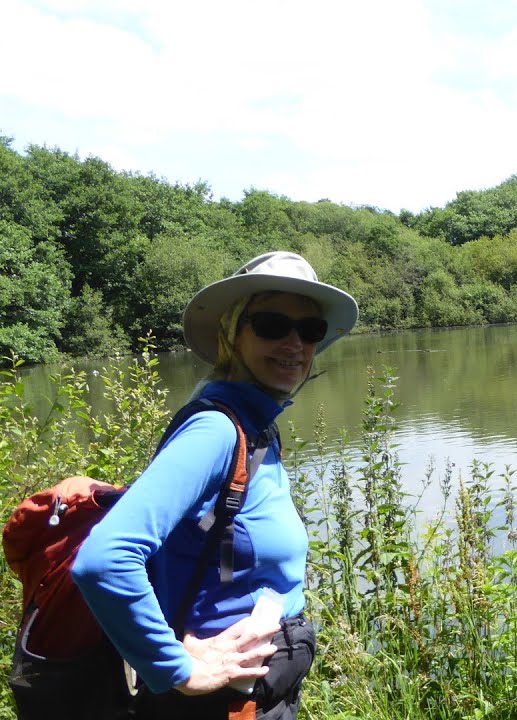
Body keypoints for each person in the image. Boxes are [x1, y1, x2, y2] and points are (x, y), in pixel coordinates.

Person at [72, 251, 358, 719]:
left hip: (256, 694)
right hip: (219, 705)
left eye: (310, 331)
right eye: (271, 324)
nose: (295, 343)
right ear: (232, 333)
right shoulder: (217, 431)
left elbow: (213, 536)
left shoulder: (257, 426)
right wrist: (177, 668)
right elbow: (105, 558)